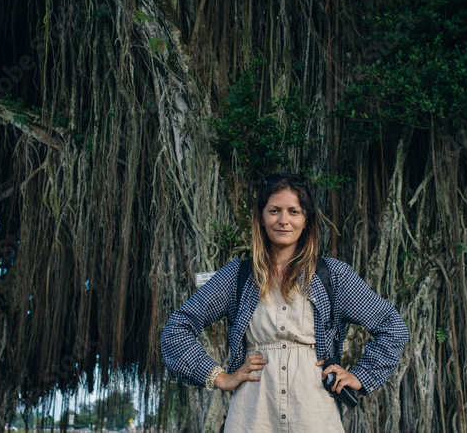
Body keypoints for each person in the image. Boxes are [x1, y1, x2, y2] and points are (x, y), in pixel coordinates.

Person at [161, 173, 409, 432]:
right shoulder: (237, 276)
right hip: (252, 417)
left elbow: (392, 327)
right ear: (261, 218)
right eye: (274, 211)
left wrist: (360, 376)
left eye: (294, 211)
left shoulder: (333, 276)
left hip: (314, 416)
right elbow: (177, 328)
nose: (283, 220)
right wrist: (219, 377)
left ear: (306, 220)